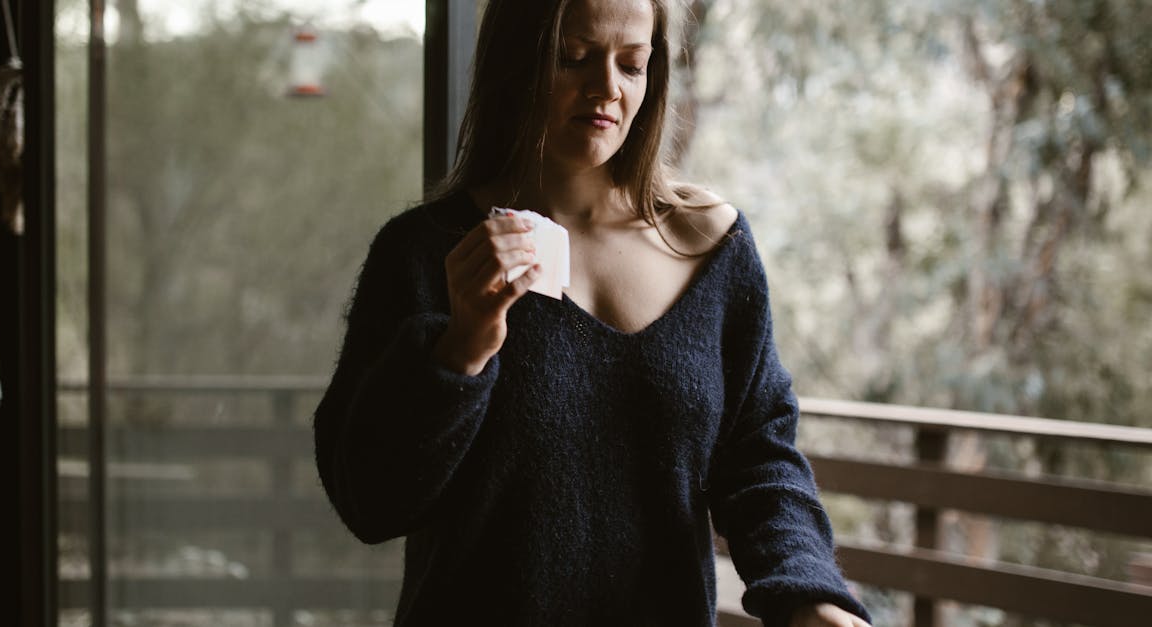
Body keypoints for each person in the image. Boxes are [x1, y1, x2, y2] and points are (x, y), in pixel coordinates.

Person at [313, 0, 873, 625]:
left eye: (632, 64)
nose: (606, 89)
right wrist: (460, 350)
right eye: (572, 58)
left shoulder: (713, 249)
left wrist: (809, 593)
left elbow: (758, 456)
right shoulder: (426, 253)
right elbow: (369, 502)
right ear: (514, 63)